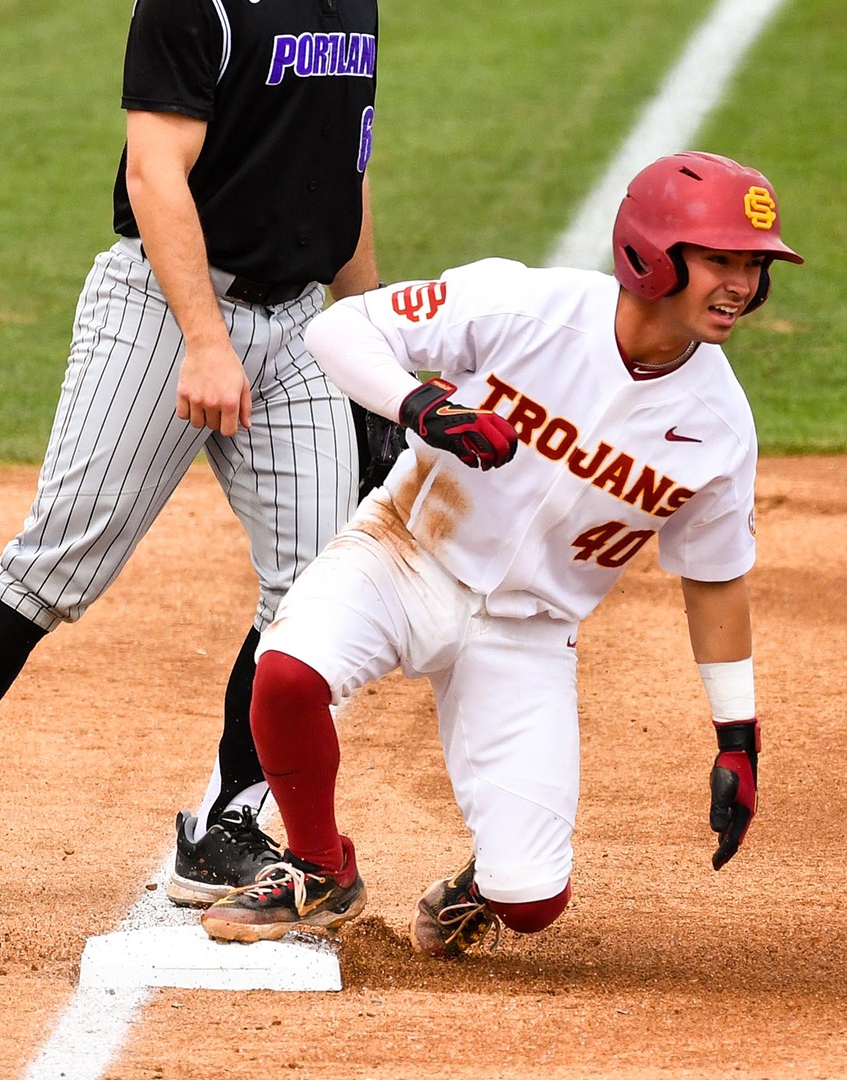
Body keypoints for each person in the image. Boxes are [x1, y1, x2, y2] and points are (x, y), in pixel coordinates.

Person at [0, 0, 394, 912]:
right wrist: (205, 339)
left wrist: (366, 339)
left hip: (299, 321)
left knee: (314, 594)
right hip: (165, 307)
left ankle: (225, 826)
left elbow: (350, 169)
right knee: (55, 563)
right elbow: (154, 170)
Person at [194, 151, 802, 954]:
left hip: (530, 633)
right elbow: (340, 326)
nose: (742, 285)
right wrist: (419, 405)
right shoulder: (530, 308)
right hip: (408, 550)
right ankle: (317, 864)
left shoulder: (719, 425)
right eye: (721, 259)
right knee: (286, 675)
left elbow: (716, 581)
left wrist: (738, 738)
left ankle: (483, 882)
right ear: (650, 253)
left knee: (533, 902)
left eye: (755, 266)